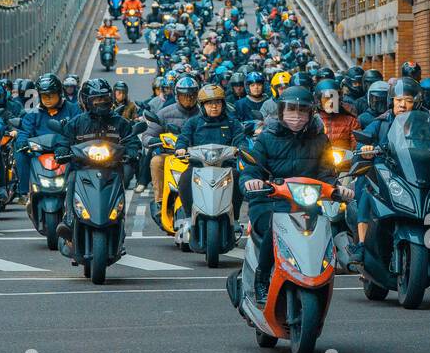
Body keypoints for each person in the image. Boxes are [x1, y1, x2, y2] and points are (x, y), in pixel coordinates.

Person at [237, 85, 342, 304]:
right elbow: (251, 170)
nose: (296, 117)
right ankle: (261, 279)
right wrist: (251, 181)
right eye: (291, 110)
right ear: (281, 112)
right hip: (269, 202)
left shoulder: (320, 139)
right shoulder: (266, 138)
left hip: (306, 203)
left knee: (326, 225)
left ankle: (317, 275)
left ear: (310, 113)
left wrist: (337, 189)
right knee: (272, 227)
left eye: (302, 111)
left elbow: (328, 172)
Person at [54, 79, 141, 258]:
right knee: (69, 178)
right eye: (96, 100)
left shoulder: (120, 122)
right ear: (87, 101)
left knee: (121, 186)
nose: (101, 103)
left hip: (111, 170)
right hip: (81, 169)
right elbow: (63, 140)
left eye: (104, 99)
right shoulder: (77, 122)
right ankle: (69, 219)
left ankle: (118, 224)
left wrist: (132, 151)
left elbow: (132, 140)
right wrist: (62, 151)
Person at [174, 83, 244, 223]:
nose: (214, 106)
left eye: (217, 102)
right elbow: (183, 138)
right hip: (198, 167)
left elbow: (240, 139)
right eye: (209, 103)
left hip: (225, 167)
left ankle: (234, 218)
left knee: (238, 178)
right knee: (184, 180)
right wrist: (180, 148)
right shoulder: (193, 122)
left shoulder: (232, 122)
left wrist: (241, 148)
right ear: (202, 106)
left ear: (223, 104)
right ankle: (189, 217)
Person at [16, 73, 78, 195]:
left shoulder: (72, 109)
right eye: (44, 95)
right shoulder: (33, 112)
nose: (48, 98)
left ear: (59, 93)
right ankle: (25, 192)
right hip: (39, 152)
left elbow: (79, 127)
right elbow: (24, 129)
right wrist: (22, 141)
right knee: (20, 155)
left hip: (66, 153)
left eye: (51, 95)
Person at [145, 75, 201, 206]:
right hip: (171, 156)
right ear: (177, 95)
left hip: (199, 156)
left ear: (197, 95)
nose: (188, 98)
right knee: (156, 161)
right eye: (184, 95)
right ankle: (160, 201)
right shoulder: (165, 113)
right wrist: (156, 140)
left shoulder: (204, 114)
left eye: (192, 95)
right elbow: (147, 136)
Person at [314, 77, 358, 148]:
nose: (331, 101)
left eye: (334, 97)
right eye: (327, 98)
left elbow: (357, 145)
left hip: (344, 158)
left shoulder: (351, 121)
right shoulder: (313, 121)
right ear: (319, 100)